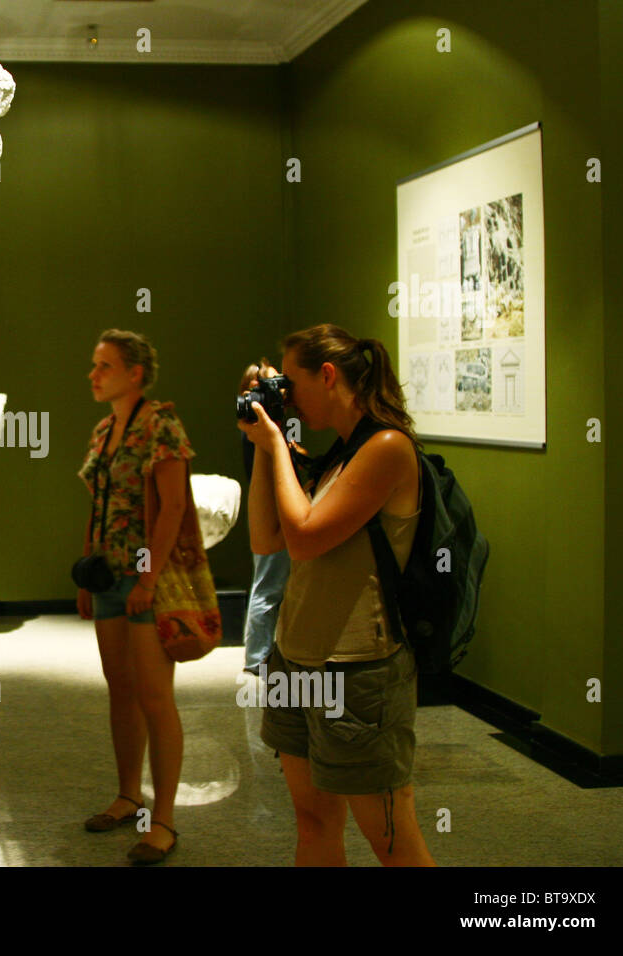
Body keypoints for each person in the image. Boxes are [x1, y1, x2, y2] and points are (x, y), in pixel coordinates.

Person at [238, 324, 435, 866]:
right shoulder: (339, 455)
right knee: (314, 819)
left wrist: (277, 442)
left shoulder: (387, 448)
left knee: (390, 839)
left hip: (356, 672)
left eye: (292, 384)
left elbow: (303, 540)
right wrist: (264, 442)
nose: (288, 398)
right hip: (294, 660)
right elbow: (265, 538)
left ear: (327, 376)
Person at [77, 329, 194, 864]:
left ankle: (163, 820)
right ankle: (128, 796)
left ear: (135, 374)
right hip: (108, 577)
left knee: (154, 696)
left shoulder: (160, 426)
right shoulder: (105, 430)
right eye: (95, 365)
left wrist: (148, 580)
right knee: (120, 690)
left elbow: (172, 508)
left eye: (104, 366)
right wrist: (86, 576)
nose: (94, 374)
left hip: (146, 580)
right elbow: (98, 504)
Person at [238, 358, 303, 674]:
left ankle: (259, 653)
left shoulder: (265, 431)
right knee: (268, 586)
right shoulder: (257, 432)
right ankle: (258, 657)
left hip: (271, 510)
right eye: (266, 387)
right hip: (273, 512)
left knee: (266, 585)